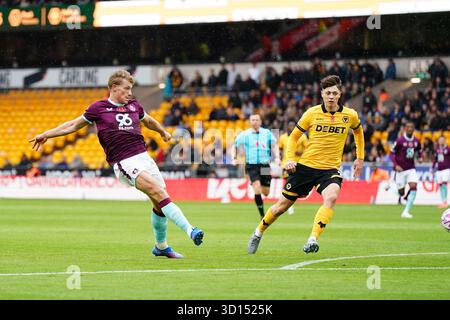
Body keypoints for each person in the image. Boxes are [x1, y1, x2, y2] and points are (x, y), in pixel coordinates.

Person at [29, 70, 204, 259]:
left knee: (159, 201)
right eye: (127, 89)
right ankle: (190, 230)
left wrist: (162, 131)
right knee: (158, 192)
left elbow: (149, 121)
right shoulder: (98, 108)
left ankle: (161, 247)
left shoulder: (134, 105)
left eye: (131, 89)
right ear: (114, 88)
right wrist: (46, 134)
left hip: (144, 157)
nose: (130, 93)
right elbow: (73, 125)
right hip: (124, 161)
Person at [247, 75, 364, 254]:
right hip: (306, 167)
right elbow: (293, 137)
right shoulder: (312, 113)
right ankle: (258, 232)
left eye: (334, 93)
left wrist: (360, 158)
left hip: (330, 169)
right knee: (281, 207)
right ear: (322, 94)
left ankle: (312, 239)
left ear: (340, 94)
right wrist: (289, 160)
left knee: (331, 197)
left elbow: (358, 132)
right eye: (328, 93)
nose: (331, 96)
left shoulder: (350, 115)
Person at [231, 114, 280, 218]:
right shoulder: (245, 134)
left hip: (265, 165)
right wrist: (234, 158)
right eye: (253, 120)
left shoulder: (267, 133)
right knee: (257, 188)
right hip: (251, 165)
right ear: (250, 122)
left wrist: (277, 157)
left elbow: (274, 145)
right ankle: (262, 215)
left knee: (266, 192)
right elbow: (234, 145)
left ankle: (257, 183)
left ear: (261, 121)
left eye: (257, 120)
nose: (255, 122)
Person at [389, 121, 423, 218]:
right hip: (400, 169)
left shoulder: (416, 141)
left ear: (413, 129)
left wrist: (420, 158)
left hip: (411, 168)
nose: (409, 129)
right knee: (401, 193)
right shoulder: (400, 140)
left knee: (414, 187)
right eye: (408, 127)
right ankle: (391, 187)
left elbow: (420, 151)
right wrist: (396, 165)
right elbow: (391, 154)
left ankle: (406, 212)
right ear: (405, 128)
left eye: (411, 127)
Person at [278, 121, 309, 215]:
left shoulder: (302, 136)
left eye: (292, 126)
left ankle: (289, 203)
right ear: (287, 126)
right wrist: (280, 158)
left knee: (295, 185)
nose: (291, 127)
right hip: (285, 164)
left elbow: (308, 148)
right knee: (287, 183)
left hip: (298, 165)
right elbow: (279, 149)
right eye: (289, 125)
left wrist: (301, 153)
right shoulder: (283, 137)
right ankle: (288, 205)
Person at [432, 136, 449, 208]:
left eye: (442, 140)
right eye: (440, 140)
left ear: (445, 141)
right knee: (441, 185)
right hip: (439, 170)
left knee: (444, 184)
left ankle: (445, 202)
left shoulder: (448, 149)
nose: (441, 141)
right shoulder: (437, 149)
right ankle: (443, 202)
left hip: (446, 169)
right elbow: (435, 159)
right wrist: (432, 168)